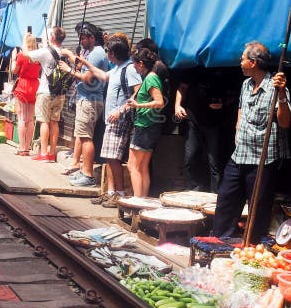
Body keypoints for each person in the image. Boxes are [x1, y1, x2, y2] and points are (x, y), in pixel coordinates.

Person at [213, 41, 291, 243]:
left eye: (242, 59)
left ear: (253, 62)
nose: (240, 62)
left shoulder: (276, 87)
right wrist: (238, 129)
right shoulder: (245, 85)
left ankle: (252, 246)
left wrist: (282, 94)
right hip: (240, 154)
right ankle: (221, 243)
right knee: (226, 201)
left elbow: (285, 122)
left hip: (263, 159)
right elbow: (241, 110)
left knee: (257, 206)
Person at [76, 36, 141, 206]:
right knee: (109, 158)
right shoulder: (118, 68)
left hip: (119, 120)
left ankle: (119, 193)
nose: (107, 55)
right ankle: (110, 192)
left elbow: (138, 92)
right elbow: (103, 75)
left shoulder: (130, 69)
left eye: (108, 52)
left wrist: (121, 110)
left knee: (114, 158)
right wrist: (86, 63)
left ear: (113, 53)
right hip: (111, 120)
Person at [59, 28, 109, 187]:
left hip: (89, 100)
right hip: (88, 99)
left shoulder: (96, 54)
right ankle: (82, 170)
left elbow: (87, 78)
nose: (81, 41)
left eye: (83, 38)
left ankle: (88, 174)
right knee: (82, 135)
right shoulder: (96, 52)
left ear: (92, 38)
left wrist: (68, 70)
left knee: (87, 137)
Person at [174, 68, 235, 193]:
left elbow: (235, 95)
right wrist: (177, 105)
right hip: (193, 119)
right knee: (190, 158)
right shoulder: (195, 67)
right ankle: (193, 190)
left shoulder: (226, 69)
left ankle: (216, 195)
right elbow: (182, 87)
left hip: (215, 122)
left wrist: (223, 103)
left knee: (215, 162)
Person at [126, 48, 169, 198]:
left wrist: (138, 105)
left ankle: (137, 201)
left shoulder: (151, 78)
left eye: (135, 64)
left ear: (141, 63)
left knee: (133, 166)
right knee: (142, 166)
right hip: (149, 127)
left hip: (145, 127)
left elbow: (159, 102)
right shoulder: (151, 77)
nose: (134, 67)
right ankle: (142, 200)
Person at [26, 26, 67, 162]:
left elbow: (28, 55)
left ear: (53, 38)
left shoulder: (45, 51)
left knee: (44, 121)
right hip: (60, 93)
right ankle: (52, 153)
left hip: (45, 91)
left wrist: (26, 39)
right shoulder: (65, 52)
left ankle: (43, 153)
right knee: (54, 122)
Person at [11, 33, 41, 156]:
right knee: (30, 119)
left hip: (23, 85)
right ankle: (27, 147)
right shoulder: (38, 57)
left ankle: (22, 147)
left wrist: (13, 58)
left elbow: (14, 70)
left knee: (22, 118)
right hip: (34, 86)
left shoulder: (21, 56)